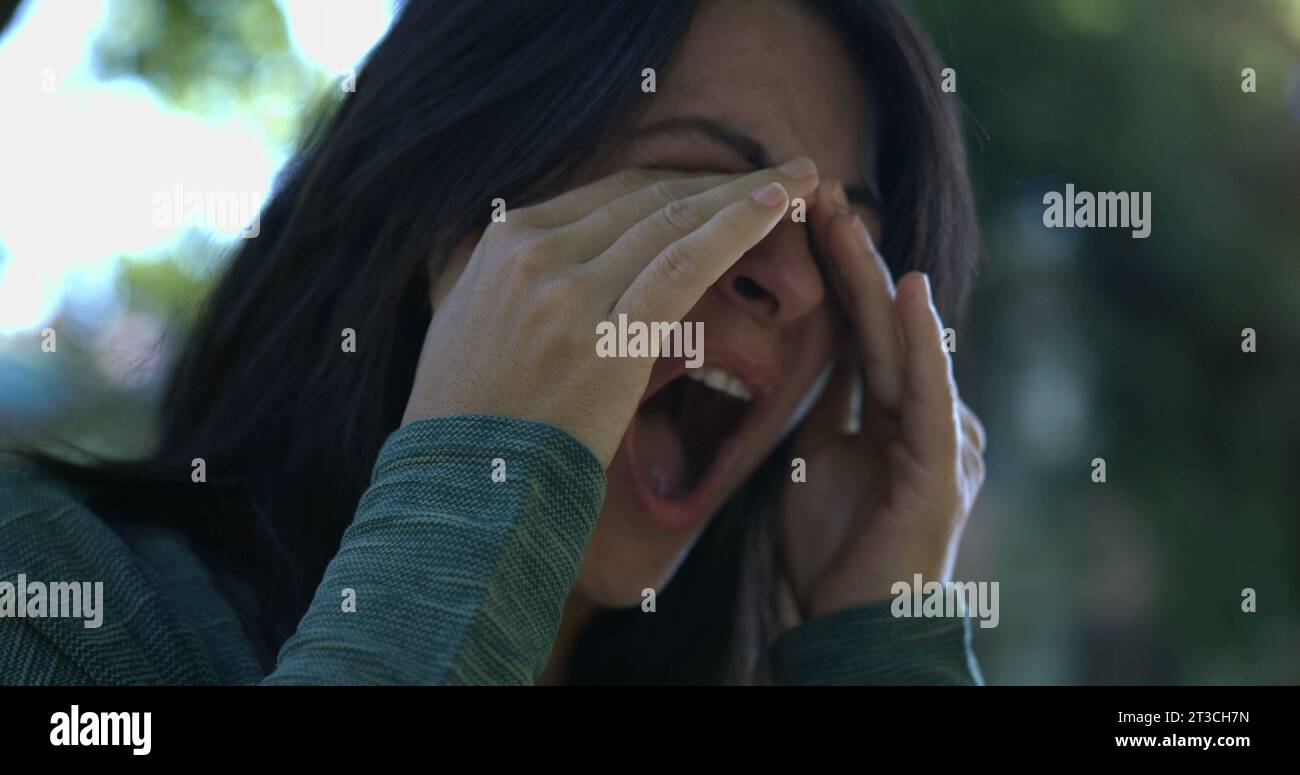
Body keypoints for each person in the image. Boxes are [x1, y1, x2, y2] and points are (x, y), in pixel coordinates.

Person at [0, 0, 986, 685]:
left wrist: (883, 645)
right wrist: (478, 485)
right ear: (452, 213)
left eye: (845, 239)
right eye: (701, 182)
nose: (799, 282)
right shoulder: (51, 599)